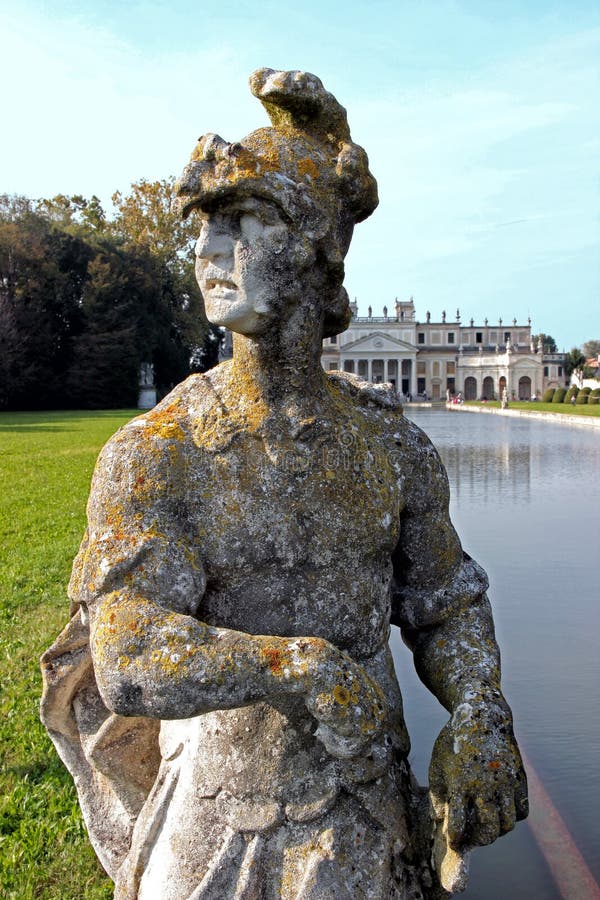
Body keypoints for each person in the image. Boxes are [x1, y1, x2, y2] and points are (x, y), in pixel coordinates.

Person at [41, 69, 526, 899]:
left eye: (246, 220)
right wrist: (298, 666)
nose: (209, 251)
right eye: (205, 227)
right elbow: (125, 650)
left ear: (314, 250)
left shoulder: (391, 448)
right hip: (216, 820)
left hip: (366, 812)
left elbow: (445, 600)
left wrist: (482, 706)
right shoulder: (157, 450)